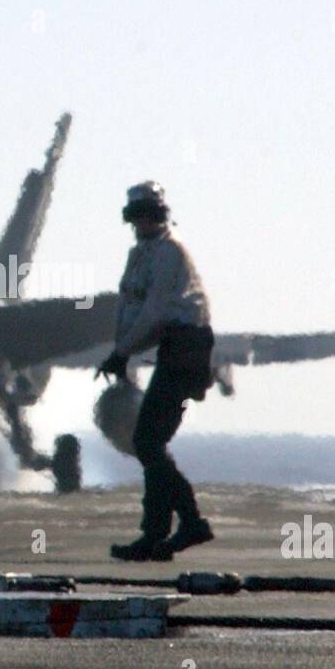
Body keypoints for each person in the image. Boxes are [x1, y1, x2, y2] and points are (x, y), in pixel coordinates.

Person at [98, 182, 215, 561]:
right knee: (149, 443)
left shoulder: (168, 253)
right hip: (171, 348)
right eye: (137, 215)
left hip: (187, 346)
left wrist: (122, 352)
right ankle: (155, 536)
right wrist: (121, 353)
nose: (141, 221)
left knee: (147, 442)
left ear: (158, 214)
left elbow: (156, 311)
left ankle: (190, 523)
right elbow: (131, 307)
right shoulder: (142, 254)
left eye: (147, 213)